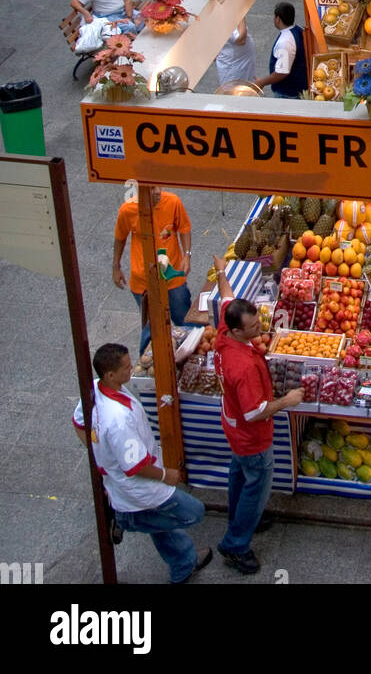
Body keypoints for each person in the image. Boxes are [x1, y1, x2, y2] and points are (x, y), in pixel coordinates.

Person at [73, 342, 210, 584]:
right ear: (110, 374)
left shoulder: (96, 389)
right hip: (140, 487)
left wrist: (99, 454)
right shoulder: (118, 421)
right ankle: (127, 520)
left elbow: (78, 422)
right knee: (193, 512)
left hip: (127, 479)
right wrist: (165, 474)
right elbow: (135, 467)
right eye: (126, 367)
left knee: (163, 527)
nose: (132, 369)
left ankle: (183, 564)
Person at [212, 256, 303, 573]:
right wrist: (288, 400)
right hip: (251, 435)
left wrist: (222, 271)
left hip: (232, 426)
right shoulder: (245, 366)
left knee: (239, 474)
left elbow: (226, 296)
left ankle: (242, 514)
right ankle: (236, 545)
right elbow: (256, 412)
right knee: (256, 484)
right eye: (253, 327)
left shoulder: (225, 330)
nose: (260, 328)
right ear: (238, 330)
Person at [113, 183, 192, 356]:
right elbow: (120, 238)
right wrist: (116, 267)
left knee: (186, 322)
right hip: (143, 281)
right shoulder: (128, 210)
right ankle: (147, 370)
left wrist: (187, 255)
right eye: (150, 188)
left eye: (158, 186)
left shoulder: (173, 202)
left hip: (173, 278)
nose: (157, 191)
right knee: (151, 329)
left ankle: (191, 356)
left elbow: (184, 228)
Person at [258, 2, 308, 98]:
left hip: (288, 94)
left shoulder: (285, 42)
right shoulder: (298, 30)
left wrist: (261, 82)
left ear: (278, 19)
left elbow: (282, 72)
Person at [215, 16, 257, 88]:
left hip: (238, 62)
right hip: (234, 66)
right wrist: (241, 14)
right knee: (236, 91)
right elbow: (241, 39)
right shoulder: (224, 19)